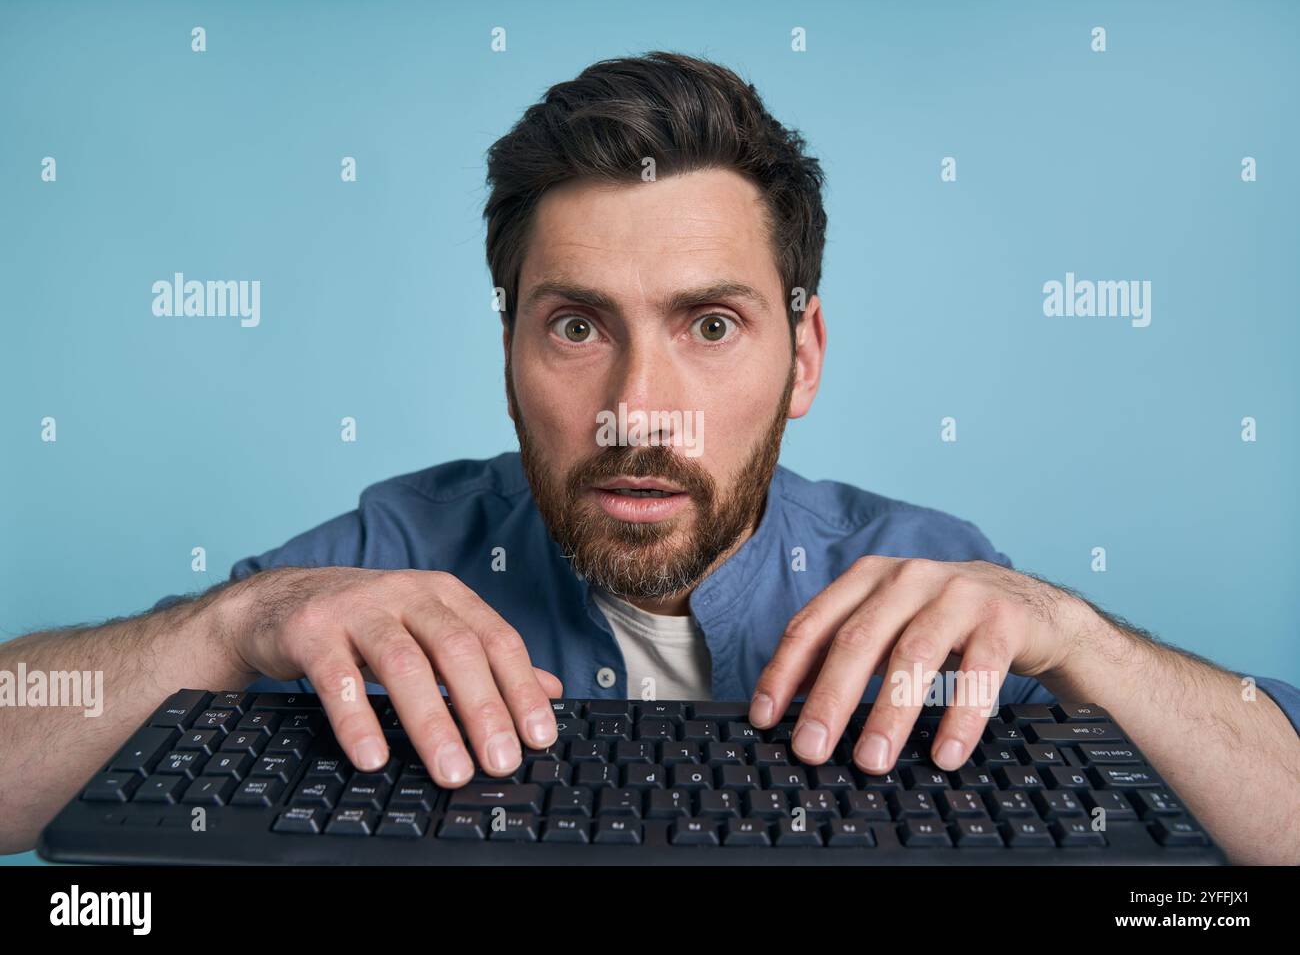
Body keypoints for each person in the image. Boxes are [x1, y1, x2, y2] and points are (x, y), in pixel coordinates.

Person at [2, 52, 1297, 863]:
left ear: (806, 355)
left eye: (712, 324)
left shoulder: (935, 580)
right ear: (507, 347)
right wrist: (228, 629)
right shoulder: (379, 560)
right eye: (577, 325)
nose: (640, 408)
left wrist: (1090, 646)